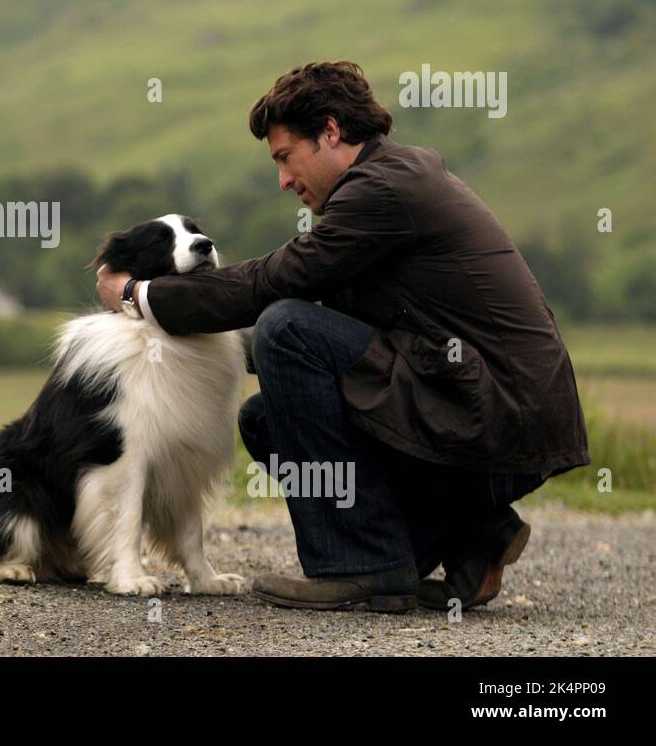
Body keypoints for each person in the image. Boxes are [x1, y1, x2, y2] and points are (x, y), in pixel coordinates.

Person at [96, 61, 589, 612]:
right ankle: (471, 533)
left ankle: (362, 564)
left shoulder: (382, 189)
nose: (282, 180)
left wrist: (136, 295)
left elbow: (277, 284)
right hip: (469, 406)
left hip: (498, 421)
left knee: (285, 328)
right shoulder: (385, 182)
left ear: (330, 132)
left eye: (285, 157)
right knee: (265, 419)